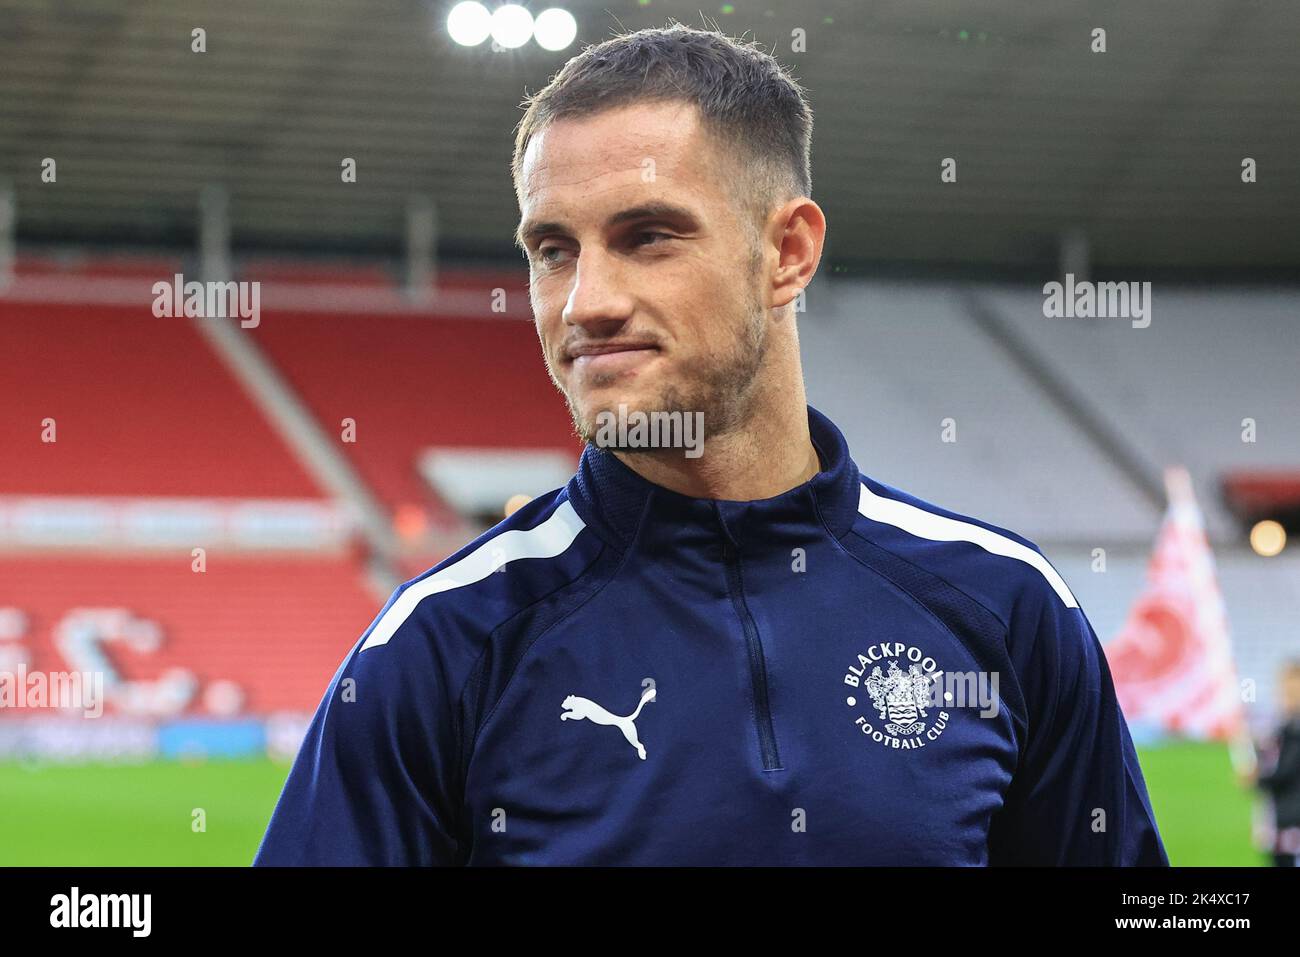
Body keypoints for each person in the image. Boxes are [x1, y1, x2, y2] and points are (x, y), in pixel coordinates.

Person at [254, 23, 1168, 866]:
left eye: (647, 236)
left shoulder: (1005, 605)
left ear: (788, 253)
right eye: (552, 249)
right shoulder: (440, 648)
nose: (586, 303)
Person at [1252, 660, 1300, 865]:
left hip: (1293, 819)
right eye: (1286, 690)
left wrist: (1258, 779)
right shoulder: (1282, 728)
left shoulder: (1294, 730)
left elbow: (1285, 771)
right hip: (1280, 816)